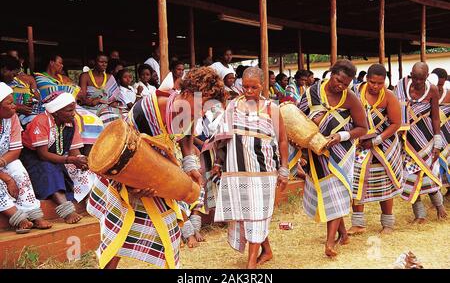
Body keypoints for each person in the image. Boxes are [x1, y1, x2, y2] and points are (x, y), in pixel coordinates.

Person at [87, 67, 226, 269]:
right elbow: (127, 153)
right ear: (187, 93)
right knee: (118, 233)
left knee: (168, 230)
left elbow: (186, 139)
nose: (203, 112)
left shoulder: (189, 110)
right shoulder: (148, 109)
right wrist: (135, 186)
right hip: (124, 178)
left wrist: (190, 165)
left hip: (156, 178)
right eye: (203, 105)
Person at [204, 66, 289, 269]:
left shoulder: (271, 108)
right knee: (245, 213)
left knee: (258, 212)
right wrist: (218, 162)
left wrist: (284, 169)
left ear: (263, 86)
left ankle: (251, 261)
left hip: (264, 171)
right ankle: (266, 250)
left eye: (254, 87)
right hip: (236, 170)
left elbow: (283, 140)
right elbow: (223, 139)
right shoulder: (232, 106)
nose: (249, 91)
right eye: (246, 86)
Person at [298, 59, 368, 257]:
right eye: (338, 80)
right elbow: (298, 116)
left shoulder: (350, 98)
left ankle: (330, 243)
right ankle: (343, 234)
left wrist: (341, 136)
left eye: (345, 84)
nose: (340, 86)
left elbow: (362, 128)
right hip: (315, 152)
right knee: (331, 194)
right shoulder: (312, 92)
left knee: (337, 192)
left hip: (341, 153)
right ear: (331, 73)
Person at [21, 92, 101, 224]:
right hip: (33, 157)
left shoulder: (71, 123)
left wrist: (81, 160)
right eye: (69, 110)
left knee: (87, 170)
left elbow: (74, 151)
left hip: (58, 157)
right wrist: (70, 160)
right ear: (56, 112)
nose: (73, 113)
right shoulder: (40, 121)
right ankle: (67, 211)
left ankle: (93, 203)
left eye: (74, 109)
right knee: (49, 169)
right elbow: (43, 154)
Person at [349, 64, 403, 235]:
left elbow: (396, 123)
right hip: (358, 143)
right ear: (366, 79)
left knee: (385, 182)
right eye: (373, 82)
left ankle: (387, 223)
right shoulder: (354, 93)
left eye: (380, 83)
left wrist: (377, 140)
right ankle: (358, 223)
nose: (376, 86)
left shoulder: (389, 96)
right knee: (356, 180)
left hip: (383, 145)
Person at [394, 62, 447, 222]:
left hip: (426, 139)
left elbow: (436, 116)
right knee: (410, 176)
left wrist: (438, 141)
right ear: (411, 74)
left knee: (427, 173)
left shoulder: (432, 90)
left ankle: (439, 207)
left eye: (421, 79)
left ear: (427, 76)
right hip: (406, 140)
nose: (417, 82)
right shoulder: (401, 86)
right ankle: (420, 215)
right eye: (415, 78)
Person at [0, 83, 52, 233]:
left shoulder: (12, 118)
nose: (14, 106)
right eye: (9, 103)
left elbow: (16, 150)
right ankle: (18, 218)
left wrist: (2, 163)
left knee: (18, 169)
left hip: (4, 160)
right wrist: (7, 179)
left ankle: (34, 215)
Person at [34, 54, 104, 150]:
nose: (62, 66)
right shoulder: (40, 77)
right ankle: (76, 149)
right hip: (54, 108)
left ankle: (90, 148)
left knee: (95, 119)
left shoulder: (63, 78)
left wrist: (66, 88)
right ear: (51, 63)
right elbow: (48, 91)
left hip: (72, 106)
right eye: (60, 63)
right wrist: (69, 88)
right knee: (79, 121)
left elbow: (81, 93)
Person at [78, 52, 123, 126]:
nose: (104, 64)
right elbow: (82, 97)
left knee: (123, 117)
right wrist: (92, 102)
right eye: (101, 62)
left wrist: (111, 103)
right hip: (89, 107)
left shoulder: (110, 77)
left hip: (107, 108)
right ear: (94, 62)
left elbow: (116, 98)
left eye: (106, 62)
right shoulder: (85, 76)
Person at [0, 55, 42, 126]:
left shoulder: (14, 83)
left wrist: (27, 103)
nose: (13, 79)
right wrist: (17, 108)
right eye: (13, 75)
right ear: (5, 70)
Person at [431, 68, 450, 198]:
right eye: (437, 85)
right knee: (436, 165)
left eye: (441, 85)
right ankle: (438, 191)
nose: (439, 87)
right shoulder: (427, 95)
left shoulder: (449, 94)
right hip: (433, 135)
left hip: (448, 136)